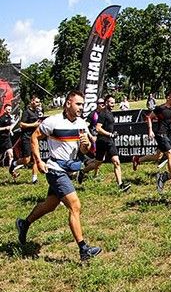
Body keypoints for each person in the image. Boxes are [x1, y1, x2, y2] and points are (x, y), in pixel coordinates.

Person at [15, 90, 102, 260]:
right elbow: (34, 137)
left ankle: (24, 223)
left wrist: (85, 146)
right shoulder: (52, 121)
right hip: (55, 170)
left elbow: (84, 151)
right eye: (78, 104)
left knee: (50, 205)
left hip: (68, 170)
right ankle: (84, 250)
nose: (81, 107)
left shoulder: (81, 124)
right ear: (68, 103)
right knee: (75, 206)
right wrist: (39, 161)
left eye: (82, 104)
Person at [81, 95, 131, 192]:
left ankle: (120, 185)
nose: (113, 105)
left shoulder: (110, 113)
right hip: (102, 141)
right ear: (106, 103)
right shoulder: (103, 114)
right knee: (97, 163)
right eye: (111, 103)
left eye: (114, 103)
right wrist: (110, 134)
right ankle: (82, 171)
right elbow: (98, 128)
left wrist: (112, 134)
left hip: (109, 141)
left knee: (116, 162)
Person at [132, 91, 171, 173]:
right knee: (170, 154)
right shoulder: (160, 108)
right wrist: (150, 130)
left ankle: (137, 159)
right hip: (160, 133)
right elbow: (149, 117)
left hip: (167, 134)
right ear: (168, 98)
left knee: (157, 156)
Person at [9, 96, 43, 183]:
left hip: (34, 138)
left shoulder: (36, 112)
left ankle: (34, 179)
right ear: (32, 101)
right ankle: (14, 164)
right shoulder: (26, 112)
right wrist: (33, 125)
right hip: (26, 137)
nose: (38, 103)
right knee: (26, 160)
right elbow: (21, 124)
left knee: (36, 158)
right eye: (36, 102)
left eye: (39, 102)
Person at [1, 103, 14, 169]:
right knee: (1, 156)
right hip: (1, 139)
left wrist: (10, 128)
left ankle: (11, 170)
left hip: (7, 138)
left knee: (11, 154)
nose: (10, 110)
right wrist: (5, 128)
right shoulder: (1, 118)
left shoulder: (10, 117)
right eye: (8, 109)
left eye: (11, 109)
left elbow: (11, 125)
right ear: (5, 109)